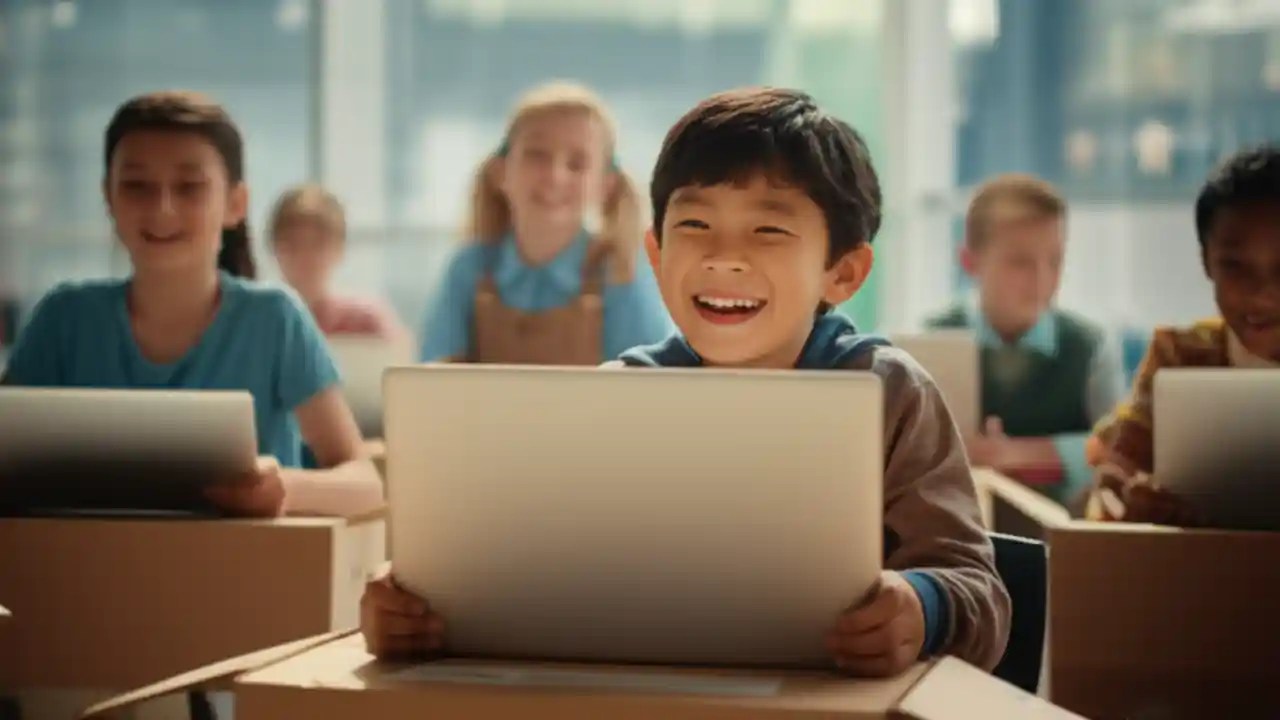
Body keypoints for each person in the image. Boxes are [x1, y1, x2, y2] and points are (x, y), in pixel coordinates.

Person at [362, 88, 1010, 677]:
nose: (724, 256)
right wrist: (418, 600)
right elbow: (516, 567)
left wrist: (921, 608)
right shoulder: (617, 394)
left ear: (841, 273)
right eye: (694, 226)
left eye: (769, 230)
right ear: (657, 252)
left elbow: (979, 591)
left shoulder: (890, 391)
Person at [1, 91, 383, 519]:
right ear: (108, 197)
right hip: (82, 573)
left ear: (235, 203)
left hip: (244, 574)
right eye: (137, 186)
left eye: (189, 187)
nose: (162, 210)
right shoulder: (63, 318)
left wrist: (287, 488)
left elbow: (365, 484)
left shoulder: (275, 319)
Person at [1085, 145, 1280, 524]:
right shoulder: (1178, 355)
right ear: (1207, 262)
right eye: (1236, 267)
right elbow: (1116, 475)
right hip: (1198, 571)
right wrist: (1126, 498)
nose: (1262, 292)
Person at [419, 81, 671, 365]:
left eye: (577, 163)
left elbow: (648, 386)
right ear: (501, 171)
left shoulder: (621, 272)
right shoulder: (469, 268)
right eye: (537, 155)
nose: (555, 175)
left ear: (605, 185)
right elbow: (433, 373)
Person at [926, 174, 1124, 511]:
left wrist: (1012, 455)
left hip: (1064, 540)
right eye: (1020, 263)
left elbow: (1120, 450)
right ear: (970, 262)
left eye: (1055, 261)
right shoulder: (930, 341)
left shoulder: (1089, 346)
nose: (1042, 280)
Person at [269, 184, 409, 343]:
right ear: (274, 247)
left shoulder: (367, 322)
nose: (305, 256)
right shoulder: (257, 321)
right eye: (293, 244)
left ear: (339, 248)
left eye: (318, 244)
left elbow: (402, 362)